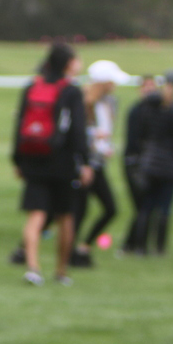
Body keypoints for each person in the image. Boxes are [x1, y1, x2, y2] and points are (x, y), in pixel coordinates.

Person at [12, 42, 92, 286]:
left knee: (36, 215)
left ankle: (33, 267)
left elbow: (19, 124)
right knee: (65, 216)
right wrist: (85, 162)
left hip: (34, 159)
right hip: (63, 162)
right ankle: (61, 271)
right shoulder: (71, 90)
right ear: (68, 63)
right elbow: (78, 129)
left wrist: (17, 159)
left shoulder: (32, 87)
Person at [70, 60, 130, 267]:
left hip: (98, 164)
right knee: (80, 210)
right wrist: (95, 137)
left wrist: (104, 146)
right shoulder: (83, 102)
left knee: (108, 209)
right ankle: (73, 252)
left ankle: (81, 248)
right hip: (84, 165)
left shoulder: (109, 102)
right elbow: (77, 134)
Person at [133, 71, 173, 256]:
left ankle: (140, 246)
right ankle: (159, 247)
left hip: (149, 162)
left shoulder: (149, 106)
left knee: (146, 206)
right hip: (169, 164)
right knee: (164, 207)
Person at [120, 74, 158, 254]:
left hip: (148, 163)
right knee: (142, 205)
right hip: (135, 163)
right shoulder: (137, 111)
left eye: (152, 86)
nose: (149, 90)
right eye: (146, 86)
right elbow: (134, 141)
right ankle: (132, 245)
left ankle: (134, 244)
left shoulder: (156, 110)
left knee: (145, 206)